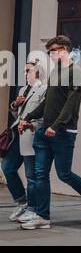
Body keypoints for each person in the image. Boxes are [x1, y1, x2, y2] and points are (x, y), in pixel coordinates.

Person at [21, 36, 81, 229]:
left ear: (65, 49)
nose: (51, 55)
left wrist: (55, 126)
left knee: (64, 174)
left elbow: (70, 106)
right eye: (49, 52)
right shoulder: (56, 73)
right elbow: (47, 102)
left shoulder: (77, 73)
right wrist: (29, 117)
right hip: (44, 132)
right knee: (40, 174)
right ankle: (43, 217)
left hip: (63, 132)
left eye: (54, 51)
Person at [4, 53, 48, 222]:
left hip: (30, 136)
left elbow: (44, 116)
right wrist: (15, 105)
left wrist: (32, 125)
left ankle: (33, 208)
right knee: (7, 168)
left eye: (28, 71)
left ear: (38, 72)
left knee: (31, 175)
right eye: (24, 71)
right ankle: (21, 202)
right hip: (17, 135)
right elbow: (17, 114)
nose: (25, 74)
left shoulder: (44, 90)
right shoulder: (23, 89)